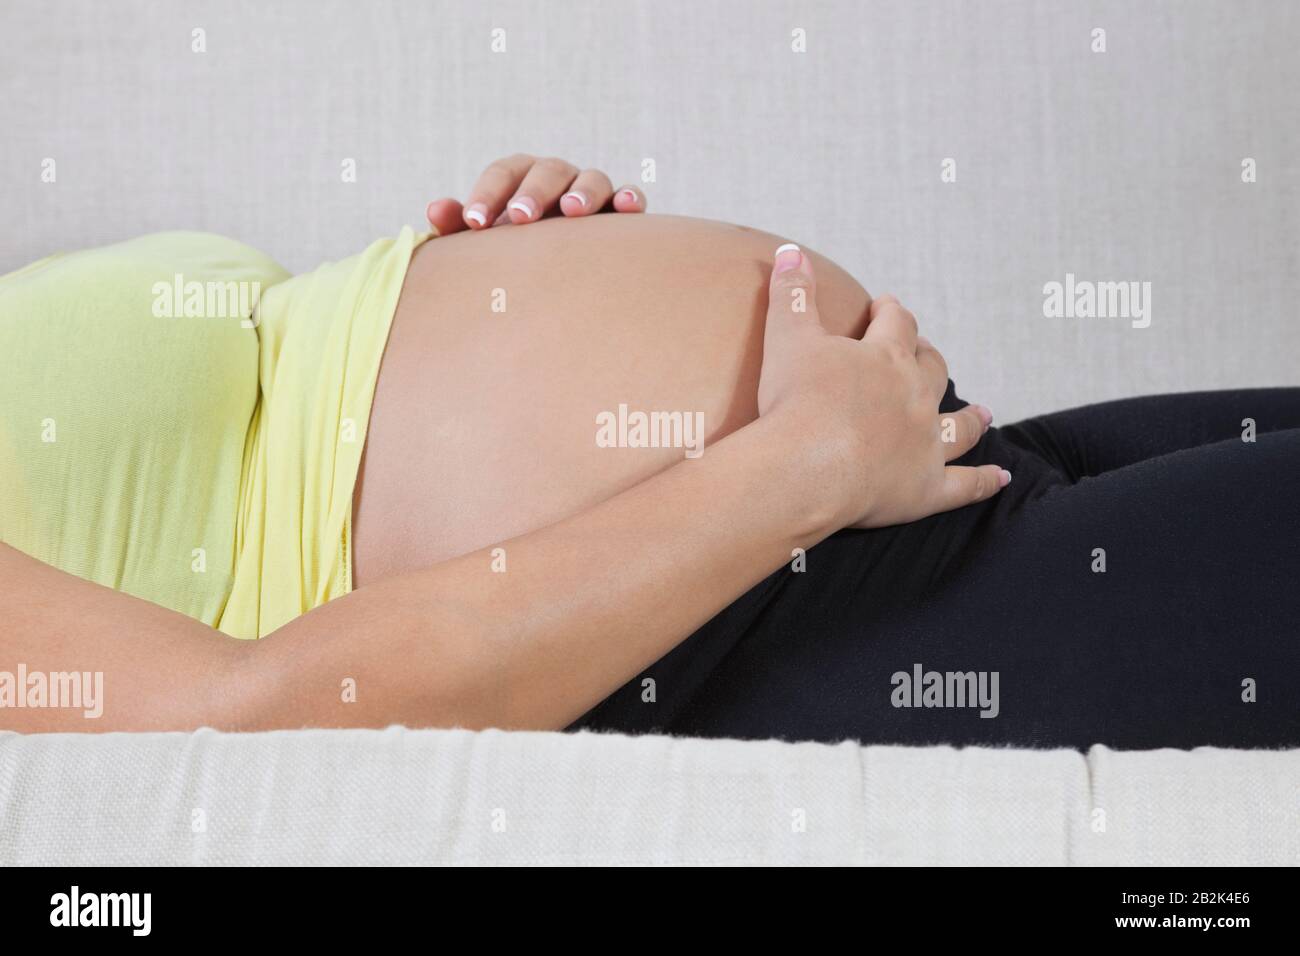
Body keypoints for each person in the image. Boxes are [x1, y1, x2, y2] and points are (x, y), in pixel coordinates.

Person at [2, 156, 1296, 749]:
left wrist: (500, 258)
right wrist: (794, 467)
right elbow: (241, 716)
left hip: (918, 460)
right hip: (773, 619)